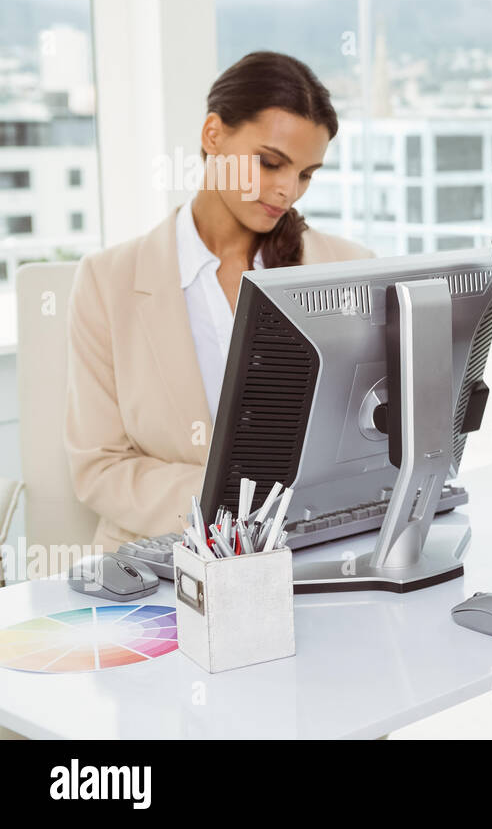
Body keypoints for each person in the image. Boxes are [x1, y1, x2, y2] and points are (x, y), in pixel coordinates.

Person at [64, 51, 374, 552]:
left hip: (313, 552)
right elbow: (100, 468)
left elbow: (362, 445)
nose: (285, 190)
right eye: (270, 163)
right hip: (160, 560)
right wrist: (235, 504)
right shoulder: (108, 281)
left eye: (305, 174)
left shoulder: (348, 268)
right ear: (213, 135)